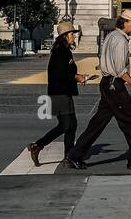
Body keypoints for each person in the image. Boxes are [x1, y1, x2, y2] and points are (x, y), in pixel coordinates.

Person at [66, 9, 131, 172]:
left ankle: (74, 155)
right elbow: (120, 70)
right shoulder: (120, 40)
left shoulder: (111, 36)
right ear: (125, 22)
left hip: (107, 83)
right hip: (114, 85)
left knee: (98, 123)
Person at [27, 21, 94, 165]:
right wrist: (77, 77)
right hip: (58, 93)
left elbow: (66, 72)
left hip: (64, 92)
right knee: (65, 125)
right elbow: (60, 74)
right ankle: (37, 146)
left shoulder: (64, 50)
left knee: (72, 125)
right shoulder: (60, 51)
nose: (74, 37)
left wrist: (78, 76)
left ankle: (68, 156)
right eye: (71, 34)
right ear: (64, 36)